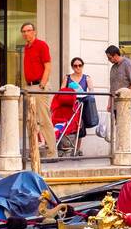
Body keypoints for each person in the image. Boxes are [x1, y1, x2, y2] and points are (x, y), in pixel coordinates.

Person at [21, 22, 57, 155]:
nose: (26, 34)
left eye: (28, 31)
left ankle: (52, 152)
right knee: (29, 119)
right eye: (23, 31)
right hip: (28, 86)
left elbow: (48, 66)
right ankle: (33, 150)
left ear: (34, 31)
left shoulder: (41, 45)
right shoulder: (26, 48)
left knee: (44, 120)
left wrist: (42, 84)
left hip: (39, 86)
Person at [104, 44, 131, 145]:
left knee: (126, 126)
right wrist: (109, 103)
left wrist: (127, 95)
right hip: (115, 103)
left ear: (115, 55)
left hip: (128, 103)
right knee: (118, 127)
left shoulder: (129, 64)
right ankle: (119, 147)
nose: (109, 60)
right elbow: (112, 88)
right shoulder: (113, 68)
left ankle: (128, 148)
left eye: (110, 58)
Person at [54, 57, 91, 156]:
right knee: (66, 124)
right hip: (69, 104)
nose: (77, 67)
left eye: (80, 65)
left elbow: (91, 90)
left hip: (81, 104)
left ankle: (77, 149)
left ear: (82, 66)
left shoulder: (87, 78)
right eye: (75, 65)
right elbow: (62, 89)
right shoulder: (67, 77)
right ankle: (64, 146)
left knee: (80, 126)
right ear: (72, 66)